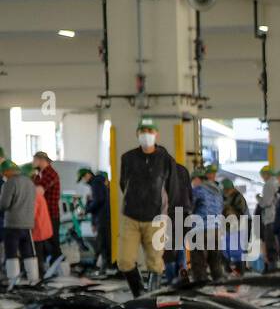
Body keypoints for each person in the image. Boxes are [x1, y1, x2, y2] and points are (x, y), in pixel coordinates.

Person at [118, 118, 176, 295]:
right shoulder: (127, 158)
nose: (146, 135)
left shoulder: (165, 159)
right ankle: (138, 293)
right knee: (125, 261)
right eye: (143, 131)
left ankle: (152, 297)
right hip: (131, 216)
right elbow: (123, 183)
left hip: (155, 218)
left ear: (156, 134)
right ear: (137, 134)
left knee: (155, 263)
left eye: (150, 131)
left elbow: (172, 187)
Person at [0, 159, 38, 286]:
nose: (3, 176)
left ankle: (13, 282)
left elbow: (4, 204)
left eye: (3, 173)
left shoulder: (10, 183)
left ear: (8, 171)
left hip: (12, 224)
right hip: (27, 224)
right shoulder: (30, 182)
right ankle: (33, 280)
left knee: (11, 253)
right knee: (28, 253)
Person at [188, 168, 225, 284]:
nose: (192, 184)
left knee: (198, 259)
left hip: (200, 229)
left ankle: (201, 285)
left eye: (193, 181)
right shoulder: (217, 191)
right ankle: (219, 283)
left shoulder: (198, 189)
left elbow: (190, 207)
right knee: (215, 260)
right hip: (215, 229)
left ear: (197, 179)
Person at [31, 152, 62, 266]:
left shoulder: (50, 174)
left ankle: (58, 267)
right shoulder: (41, 174)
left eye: (34, 159)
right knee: (47, 242)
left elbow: (38, 190)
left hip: (51, 214)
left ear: (41, 160)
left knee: (53, 242)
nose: (33, 162)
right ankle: (51, 267)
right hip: (45, 214)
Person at [80, 168, 111, 274]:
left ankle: (105, 268)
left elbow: (99, 201)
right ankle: (105, 267)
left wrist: (86, 210)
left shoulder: (96, 183)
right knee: (103, 242)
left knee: (103, 243)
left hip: (103, 218)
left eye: (83, 178)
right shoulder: (99, 183)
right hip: (103, 217)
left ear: (88, 175)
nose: (84, 181)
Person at [221, 179, 250, 274]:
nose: (226, 192)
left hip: (239, 227)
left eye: (227, 190)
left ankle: (239, 270)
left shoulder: (238, 197)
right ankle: (229, 269)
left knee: (237, 250)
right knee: (227, 249)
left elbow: (240, 213)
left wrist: (229, 211)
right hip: (229, 228)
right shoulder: (225, 196)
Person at [255, 164, 280, 272]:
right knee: (276, 244)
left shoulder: (268, 184)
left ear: (266, 174)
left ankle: (272, 269)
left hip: (270, 219)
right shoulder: (278, 183)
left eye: (263, 175)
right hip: (278, 218)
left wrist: (259, 198)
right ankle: (275, 267)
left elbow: (266, 203)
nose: (262, 178)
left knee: (270, 246)